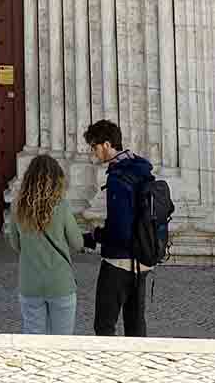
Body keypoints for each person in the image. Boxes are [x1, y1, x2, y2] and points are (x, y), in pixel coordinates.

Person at [81, 119, 153, 337]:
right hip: (142, 259)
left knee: (104, 324)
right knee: (135, 325)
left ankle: (109, 359)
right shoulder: (141, 168)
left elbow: (119, 229)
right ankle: (139, 357)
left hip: (118, 261)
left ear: (106, 144)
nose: (93, 153)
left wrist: (96, 236)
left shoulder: (117, 177)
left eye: (94, 147)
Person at [3, 154, 82, 335]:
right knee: (61, 342)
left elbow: (15, 244)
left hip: (30, 283)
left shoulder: (17, 206)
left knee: (33, 341)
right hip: (60, 283)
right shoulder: (61, 206)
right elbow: (77, 243)